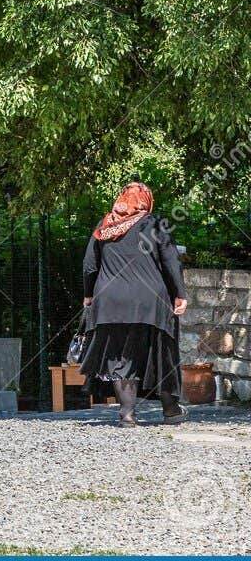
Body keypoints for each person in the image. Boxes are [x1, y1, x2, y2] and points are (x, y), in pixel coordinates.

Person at [79, 182, 187, 427]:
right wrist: (180, 293)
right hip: (150, 302)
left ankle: (127, 414)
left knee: (120, 356)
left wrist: (88, 294)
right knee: (162, 352)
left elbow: (89, 265)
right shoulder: (155, 224)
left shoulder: (104, 226)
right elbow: (171, 261)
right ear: (146, 202)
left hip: (110, 302)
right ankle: (171, 410)